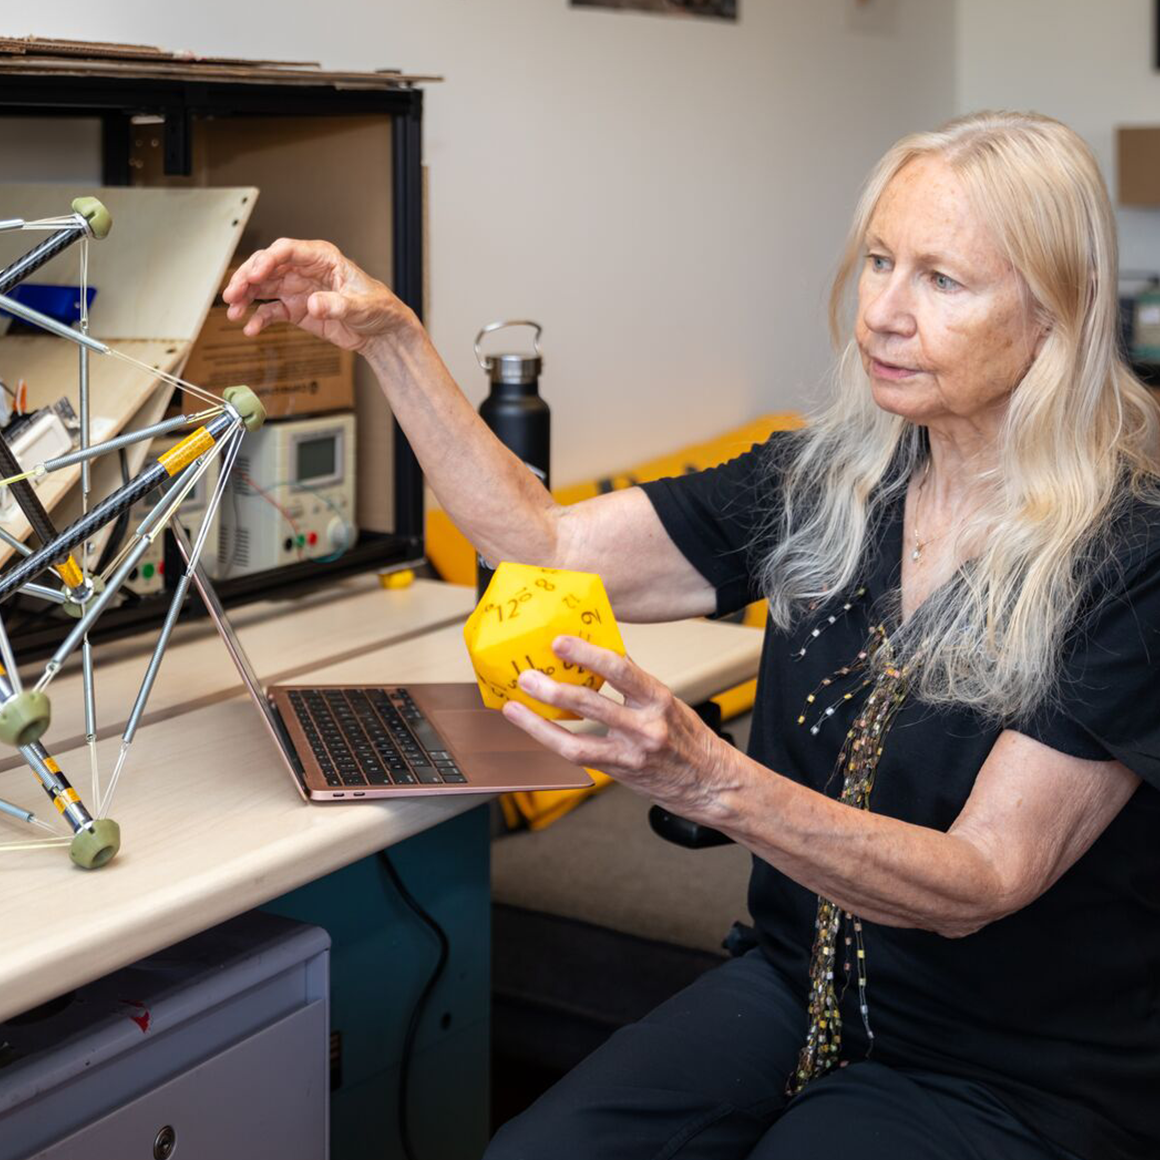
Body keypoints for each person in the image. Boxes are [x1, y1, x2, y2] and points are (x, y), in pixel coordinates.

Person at [223, 111, 1160, 1160]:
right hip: (794, 984)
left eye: (942, 282)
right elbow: (541, 540)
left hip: (1008, 1062)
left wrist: (704, 775)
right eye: (879, 263)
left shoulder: (1126, 558)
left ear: (1054, 315)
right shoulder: (820, 479)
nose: (882, 316)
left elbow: (981, 880)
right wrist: (391, 340)